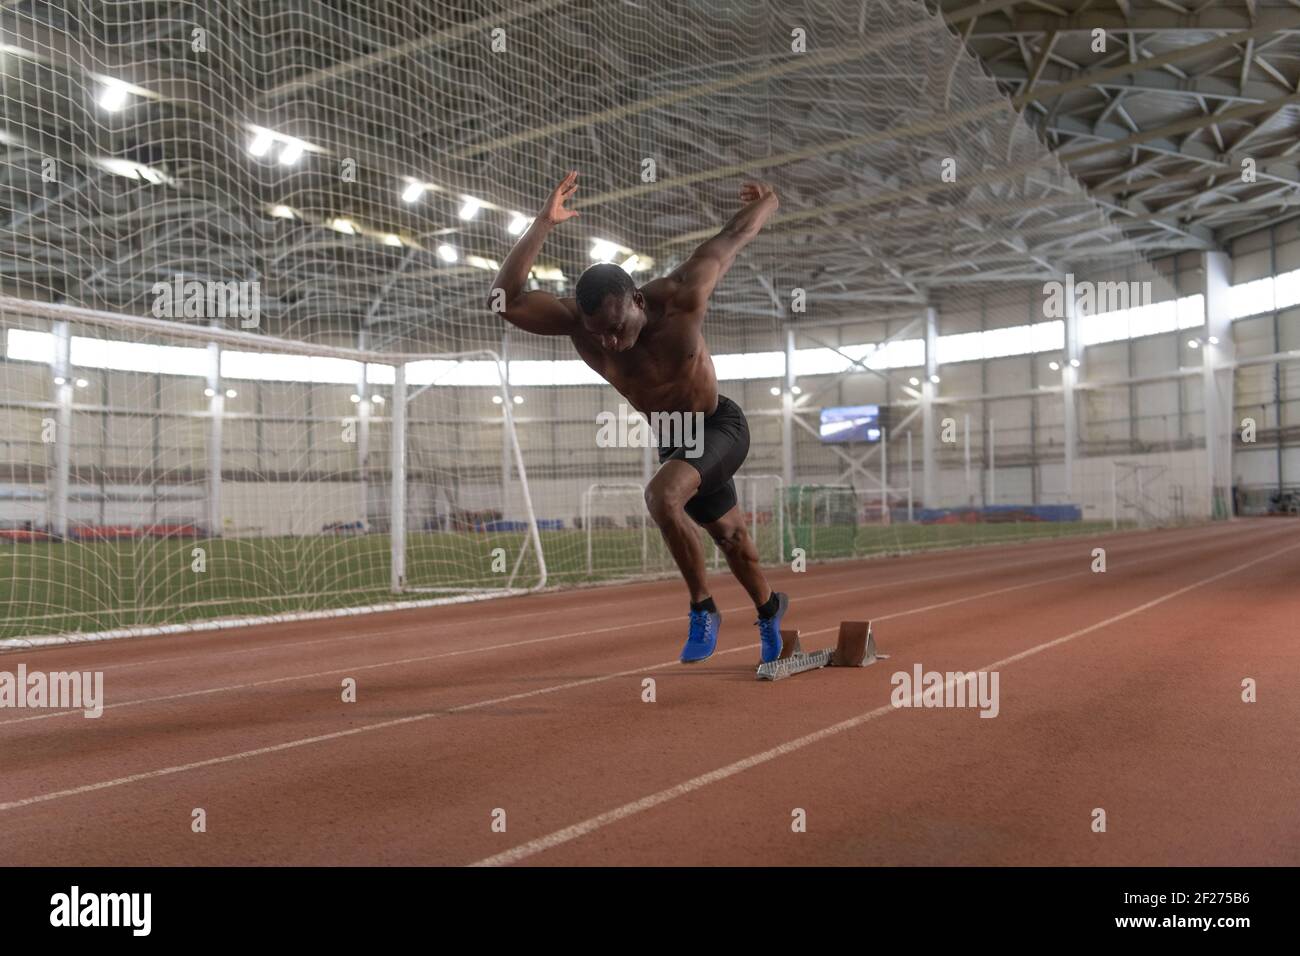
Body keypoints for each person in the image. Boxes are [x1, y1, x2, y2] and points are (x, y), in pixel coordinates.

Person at [488, 171, 788, 663]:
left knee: (661, 497)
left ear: (639, 301)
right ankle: (769, 607)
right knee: (732, 538)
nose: (609, 341)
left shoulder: (682, 296)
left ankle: (703, 607)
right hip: (675, 439)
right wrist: (543, 222)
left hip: (718, 426)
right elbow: (504, 301)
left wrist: (770, 201)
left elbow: (733, 236)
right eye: (597, 334)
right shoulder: (579, 327)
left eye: (615, 327)